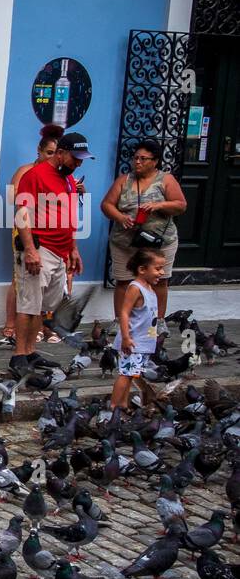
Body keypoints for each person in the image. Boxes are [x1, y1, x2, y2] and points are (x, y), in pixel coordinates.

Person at [11, 131, 92, 372]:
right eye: (75, 158)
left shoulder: (68, 178)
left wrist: (73, 248)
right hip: (40, 247)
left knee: (42, 306)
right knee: (28, 304)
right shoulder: (34, 175)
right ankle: (19, 356)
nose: (78, 163)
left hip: (60, 250)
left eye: (81, 159)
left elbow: (69, 215)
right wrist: (30, 250)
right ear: (60, 153)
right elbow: (21, 213)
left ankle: (30, 352)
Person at [99, 138, 186, 320]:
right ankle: (120, 320)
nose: (137, 162)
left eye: (143, 159)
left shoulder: (166, 180)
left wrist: (159, 205)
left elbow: (180, 205)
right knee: (123, 281)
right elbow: (107, 204)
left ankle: (158, 321)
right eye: (136, 158)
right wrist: (120, 217)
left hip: (159, 243)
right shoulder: (124, 180)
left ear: (155, 161)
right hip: (126, 242)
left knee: (160, 281)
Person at [0, 124, 66, 346]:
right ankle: (11, 325)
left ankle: (44, 327)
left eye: (55, 153)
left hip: (53, 233)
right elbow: (14, 198)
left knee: (49, 283)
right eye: (48, 152)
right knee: (20, 278)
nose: (51, 157)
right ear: (39, 151)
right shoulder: (26, 171)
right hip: (27, 228)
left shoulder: (61, 176)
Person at [110, 249, 165, 412]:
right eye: (157, 268)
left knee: (131, 374)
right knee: (126, 374)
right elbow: (124, 312)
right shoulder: (136, 288)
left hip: (142, 342)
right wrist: (126, 338)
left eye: (162, 268)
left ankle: (123, 404)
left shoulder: (149, 288)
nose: (161, 272)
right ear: (142, 270)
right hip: (133, 342)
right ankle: (113, 406)